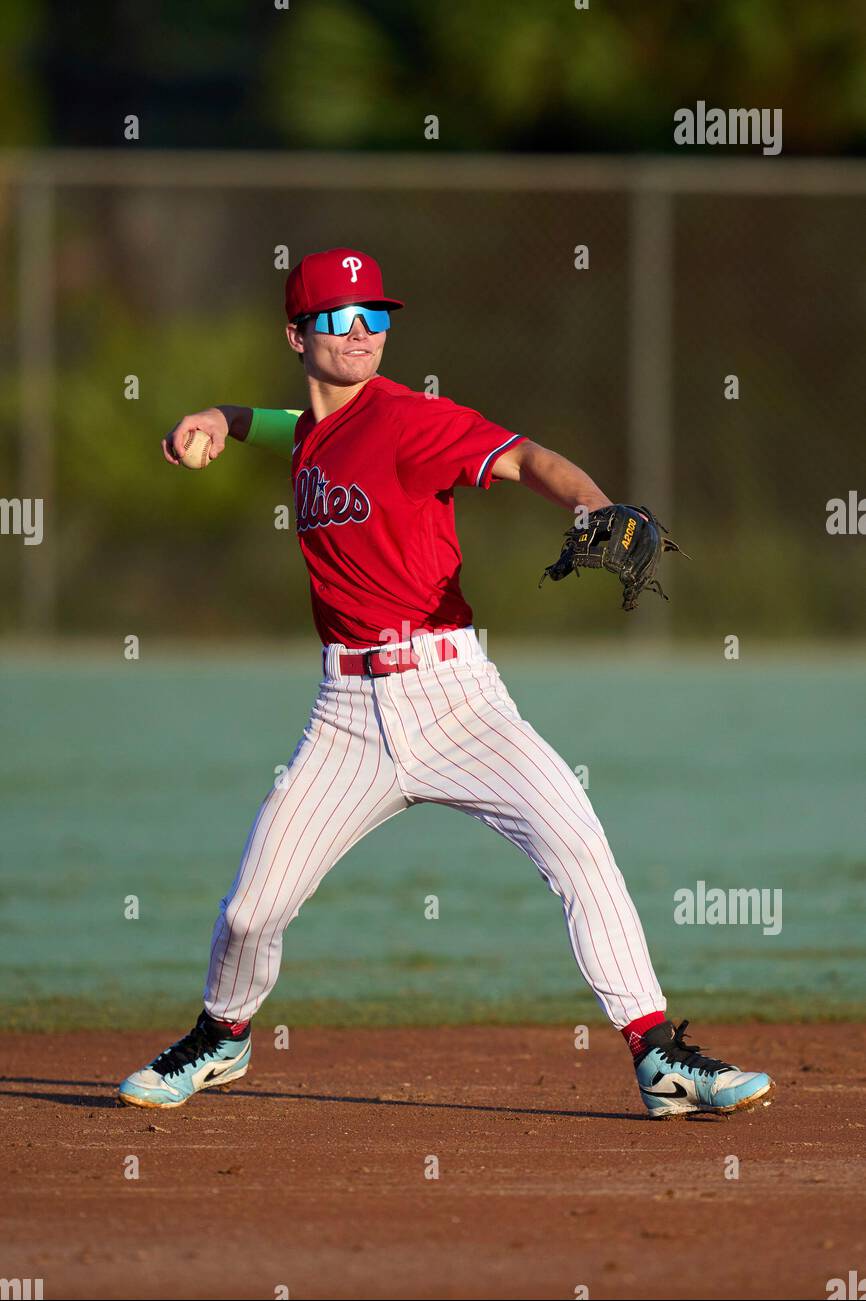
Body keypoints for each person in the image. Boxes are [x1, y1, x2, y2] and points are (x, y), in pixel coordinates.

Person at [118, 247, 773, 1120]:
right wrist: (221, 417)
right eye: (339, 318)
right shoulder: (314, 430)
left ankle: (656, 1053)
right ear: (296, 335)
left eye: (375, 317)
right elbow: (290, 426)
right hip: (346, 716)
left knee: (576, 843)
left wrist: (591, 504)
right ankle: (223, 1037)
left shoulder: (410, 418)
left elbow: (527, 457)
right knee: (249, 913)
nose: (361, 333)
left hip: (455, 696)